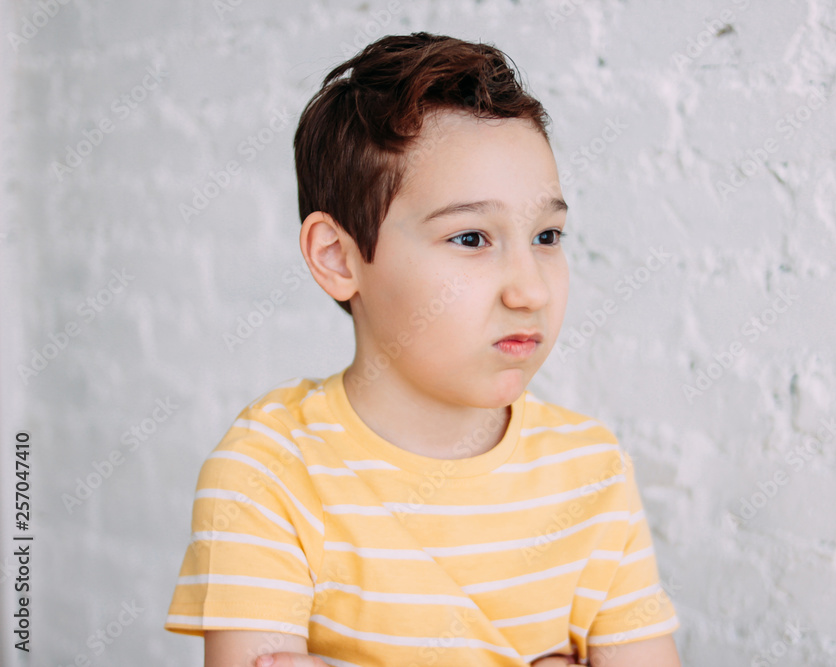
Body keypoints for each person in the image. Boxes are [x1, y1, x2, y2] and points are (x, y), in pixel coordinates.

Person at [163, 31, 682, 667]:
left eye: (547, 236)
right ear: (338, 257)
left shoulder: (592, 470)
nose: (529, 290)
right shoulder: (271, 470)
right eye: (470, 239)